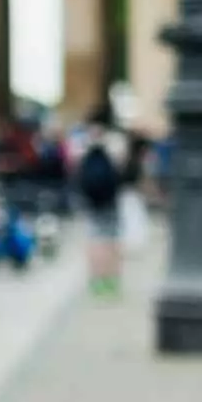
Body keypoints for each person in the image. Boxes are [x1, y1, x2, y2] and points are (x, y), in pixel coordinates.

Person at [78, 122, 125, 295]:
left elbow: (80, 183)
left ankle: (97, 281)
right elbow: (118, 181)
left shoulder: (86, 159)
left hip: (93, 207)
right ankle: (112, 281)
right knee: (112, 243)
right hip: (110, 206)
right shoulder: (108, 158)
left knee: (95, 243)